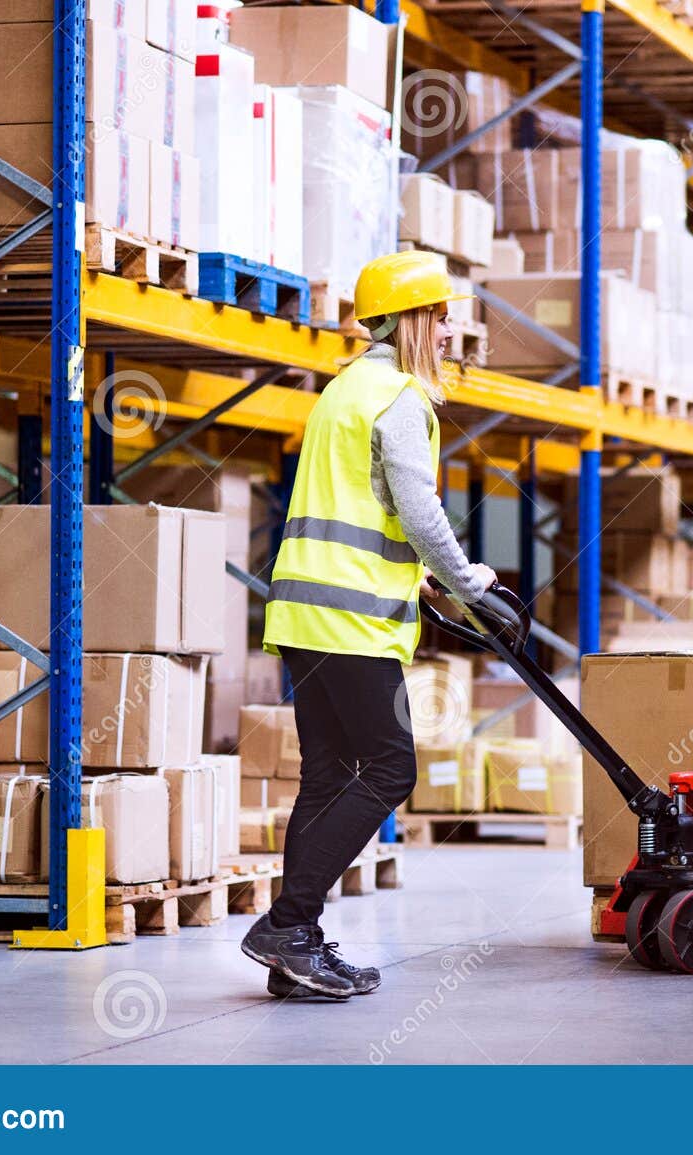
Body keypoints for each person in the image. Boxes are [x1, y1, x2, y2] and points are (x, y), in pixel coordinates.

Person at [240, 251, 496, 1001]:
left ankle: (298, 945)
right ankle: (288, 924)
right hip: (350, 620)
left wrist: (417, 573)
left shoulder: (345, 389)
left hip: (303, 611)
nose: (449, 330)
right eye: (442, 316)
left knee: (325, 774)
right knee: (392, 768)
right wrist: (464, 578)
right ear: (415, 320)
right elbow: (418, 511)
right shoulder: (400, 397)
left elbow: (366, 508)